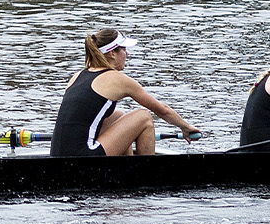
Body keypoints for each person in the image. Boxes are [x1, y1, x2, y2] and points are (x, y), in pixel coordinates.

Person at [51, 29, 202, 157]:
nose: (127, 55)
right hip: (83, 156)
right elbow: (161, 109)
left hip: (58, 154)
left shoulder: (78, 75)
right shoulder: (117, 79)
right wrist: (185, 127)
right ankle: (143, 178)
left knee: (118, 116)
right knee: (144, 117)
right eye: (123, 49)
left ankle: (123, 170)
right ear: (112, 53)